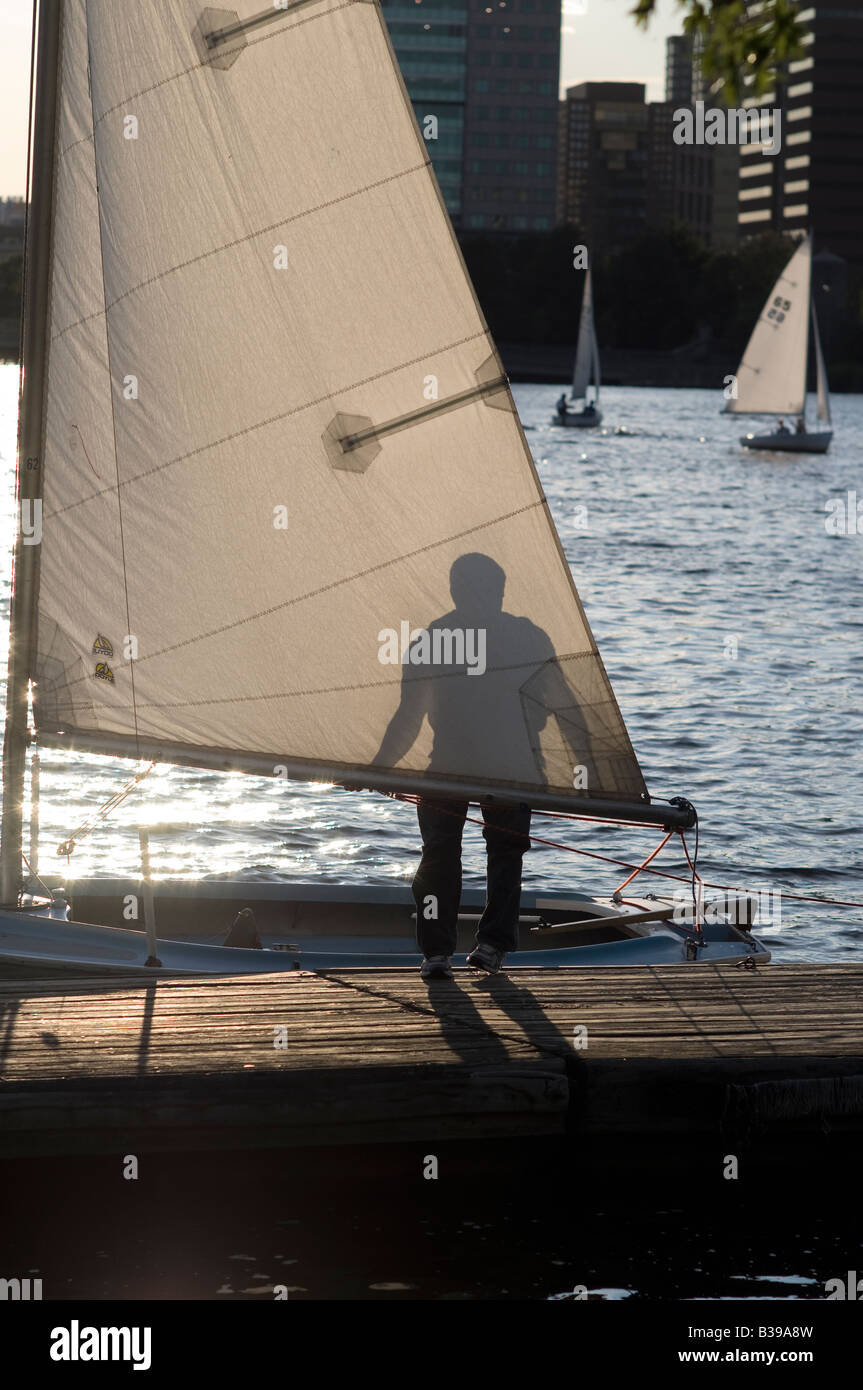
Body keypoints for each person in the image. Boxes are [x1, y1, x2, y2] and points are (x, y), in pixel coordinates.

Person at [372, 553, 600, 980]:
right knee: (472, 855)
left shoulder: (438, 638)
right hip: (477, 767)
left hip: (493, 767)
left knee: (460, 855)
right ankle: (471, 949)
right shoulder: (519, 637)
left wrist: (378, 766)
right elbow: (566, 709)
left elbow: (408, 718)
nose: (483, 599)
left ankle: (459, 950)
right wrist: (377, 769)